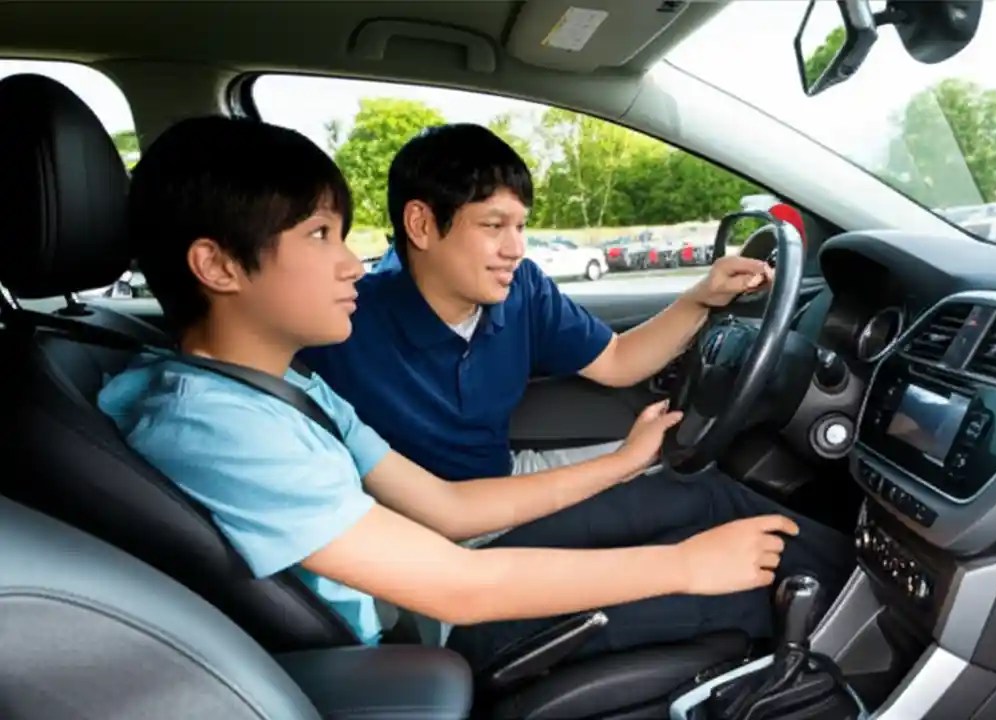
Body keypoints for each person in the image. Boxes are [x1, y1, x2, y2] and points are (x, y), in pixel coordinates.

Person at [97, 116, 852, 671]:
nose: (352, 265)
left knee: (712, 505)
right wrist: (685, 567)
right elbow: (458, 585)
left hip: (428, 590)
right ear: (219, 267)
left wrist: (623, 463)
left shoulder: (282, 388)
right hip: (416, 642)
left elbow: (449, 508)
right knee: (769, 579)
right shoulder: (208, 423)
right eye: (322, 236)